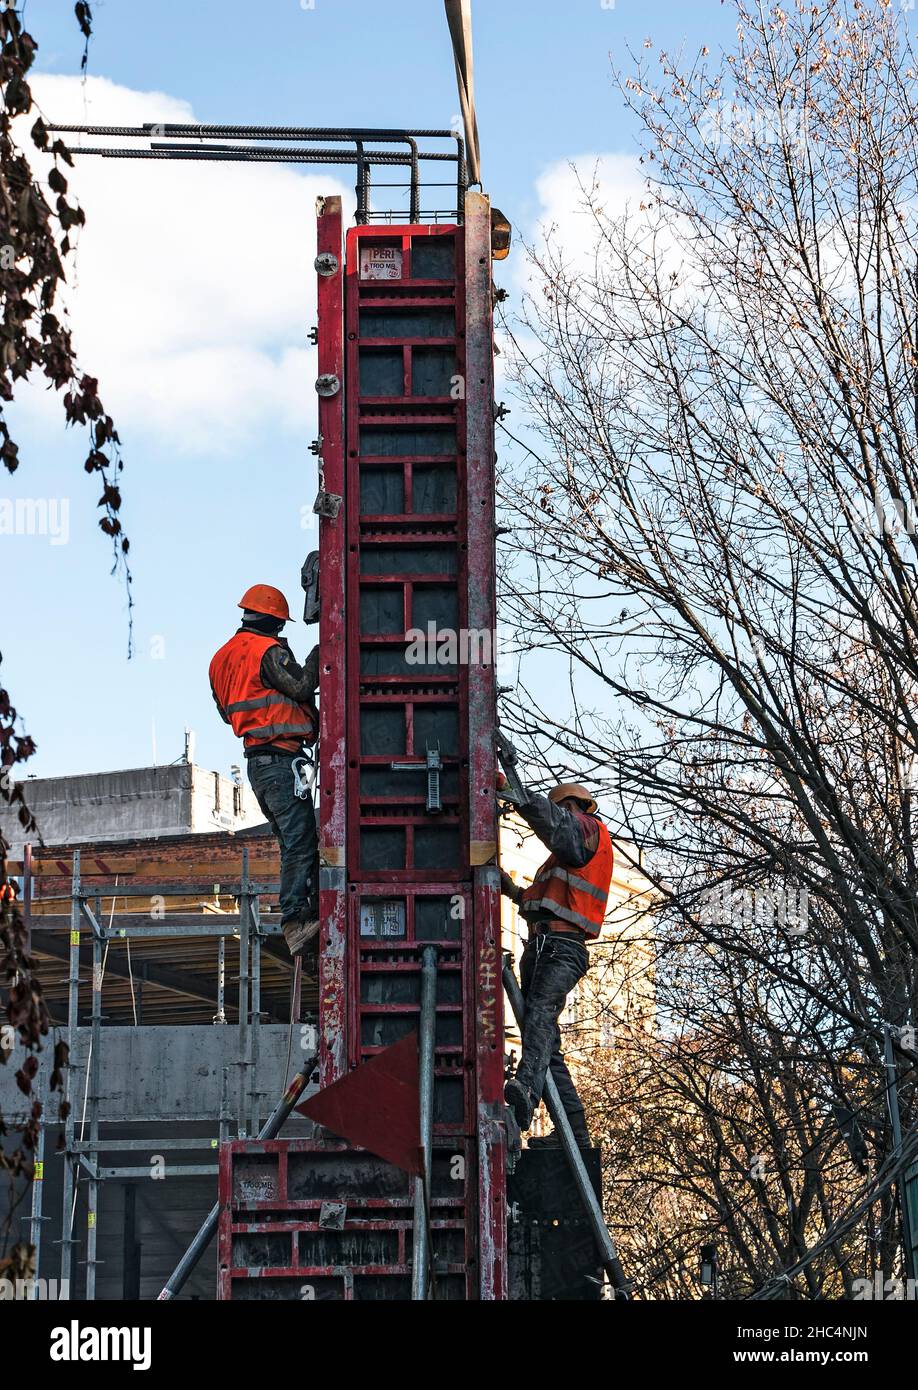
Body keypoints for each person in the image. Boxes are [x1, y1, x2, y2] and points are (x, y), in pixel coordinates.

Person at [500, 781, 613, 1148]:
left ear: (573, 806)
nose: (559, 817)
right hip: (547, 944)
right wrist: (511, 890)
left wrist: (514, 791)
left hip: (561, 947)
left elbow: (557, 826)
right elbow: (543, 902)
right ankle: (575, 1133)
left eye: (560, 810)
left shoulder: (586, 831)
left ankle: (526, 1094)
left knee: (540, 1018)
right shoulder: (562, 860)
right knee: (545, 1039)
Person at [209, 584, 319, 959]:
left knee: (291, 841)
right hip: (281, 758)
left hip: (257, 764)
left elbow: (227, 714)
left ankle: (301, 912)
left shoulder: (220, 660)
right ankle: (295, 919)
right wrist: (322, 655)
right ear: (273, 621)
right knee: (300, 839)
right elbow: (302, 685)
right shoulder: (267, 651)